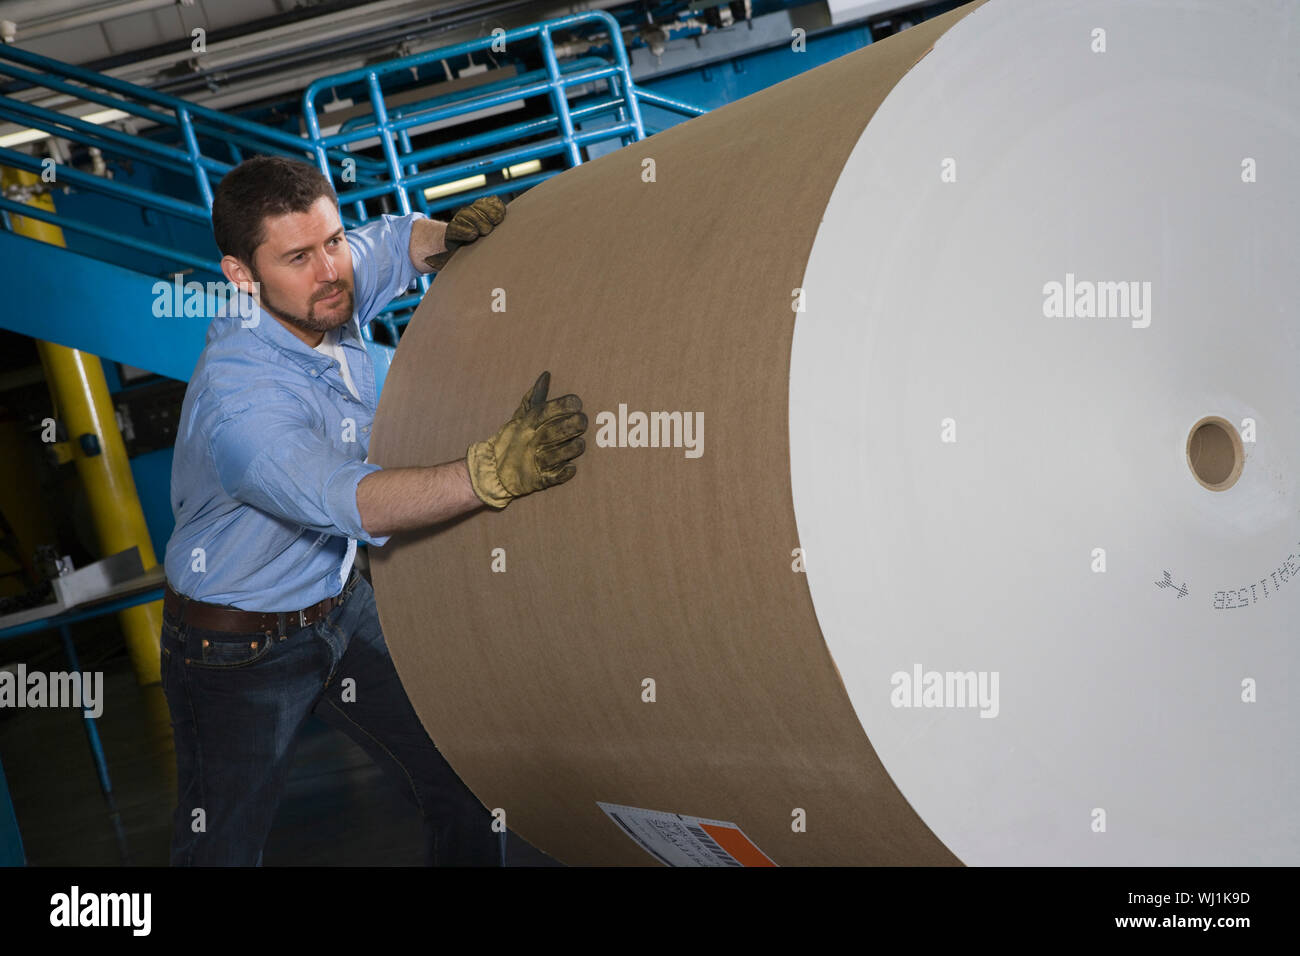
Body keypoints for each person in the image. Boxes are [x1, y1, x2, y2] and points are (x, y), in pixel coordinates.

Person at [159, 155, 587, 865]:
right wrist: (488, 473)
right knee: (219, 852)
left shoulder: (326, 283)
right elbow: (351, 499)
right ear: (242, 275)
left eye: (331, 240)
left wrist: (444, 236)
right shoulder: (241, 404)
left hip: (336, 606)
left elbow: (391, 240)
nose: (330, 270)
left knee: (468, 782)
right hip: (236, 650)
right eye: (298, 256)